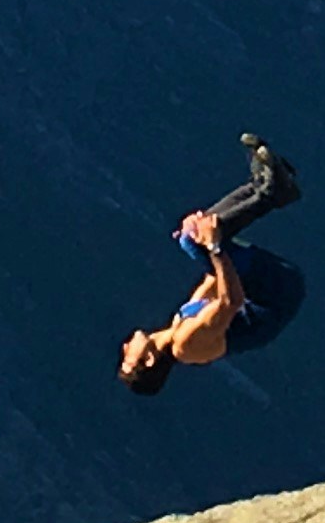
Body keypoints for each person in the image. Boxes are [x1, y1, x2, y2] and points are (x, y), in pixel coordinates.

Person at [119, 135, 308, 394]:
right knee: (195, 242)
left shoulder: (178, 326)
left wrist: (202, 228)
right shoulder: (187, 344)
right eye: (129, 357)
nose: (125, 347)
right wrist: (213, 246)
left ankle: (264, 185)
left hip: (266, 290)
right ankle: (271, 191)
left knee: (193, 236)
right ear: (149, 360)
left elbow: (215, 279)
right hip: (277, 294)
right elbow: (230, 300)